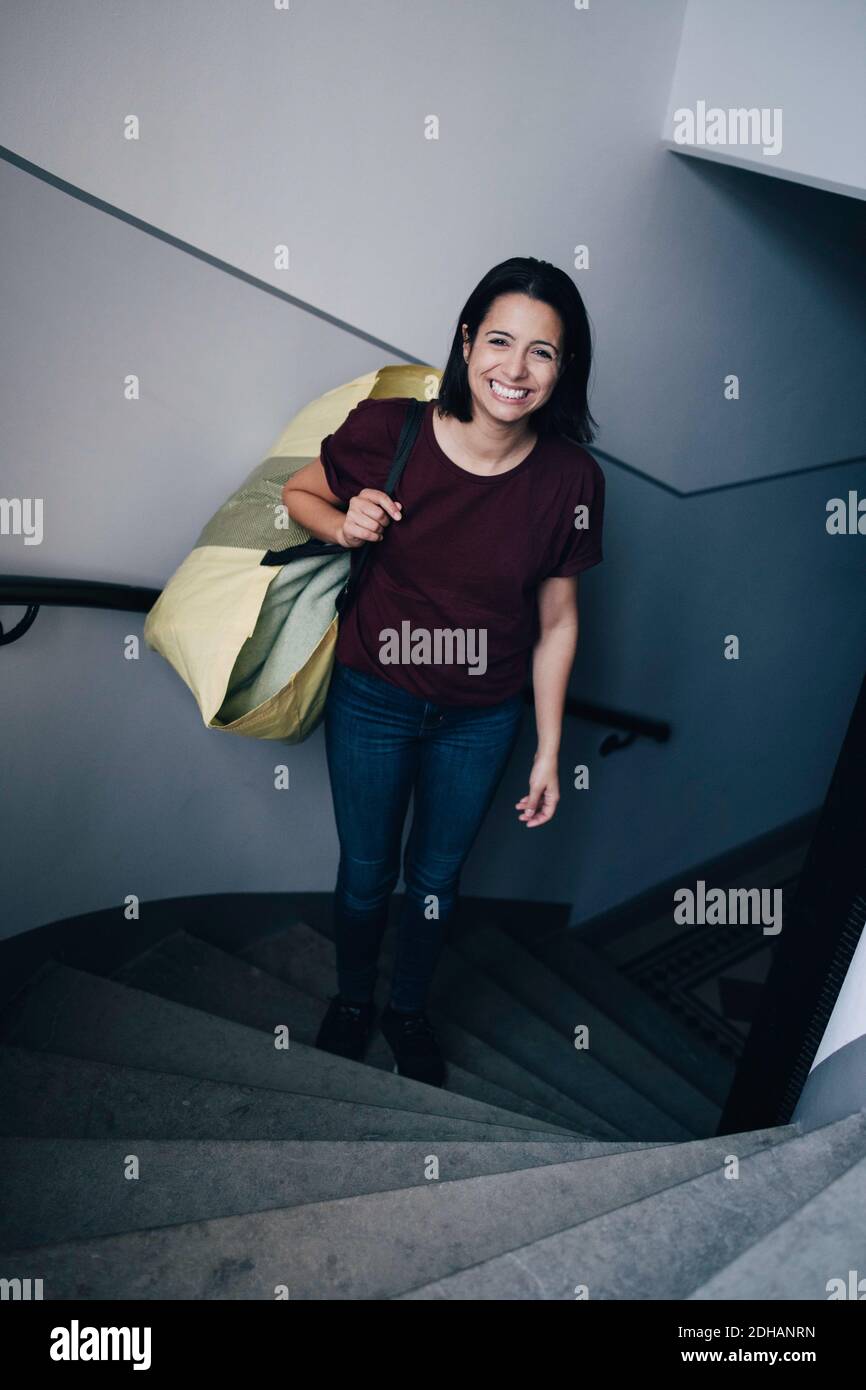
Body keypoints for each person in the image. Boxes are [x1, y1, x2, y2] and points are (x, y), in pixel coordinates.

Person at [282, 256, 605, 1087]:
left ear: (564, 369)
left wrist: (545, 750)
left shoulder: (572, 479)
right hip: (373, 701)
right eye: (500, 340)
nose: (516, 368)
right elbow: (298, 494)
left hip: (481, 717)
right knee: (365, 875)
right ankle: (355, 1002)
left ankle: (408, 1011)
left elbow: (558, 621)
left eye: (543, 352)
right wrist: (346, 525)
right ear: (466, 343)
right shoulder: (389, 431)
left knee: (435, 881)